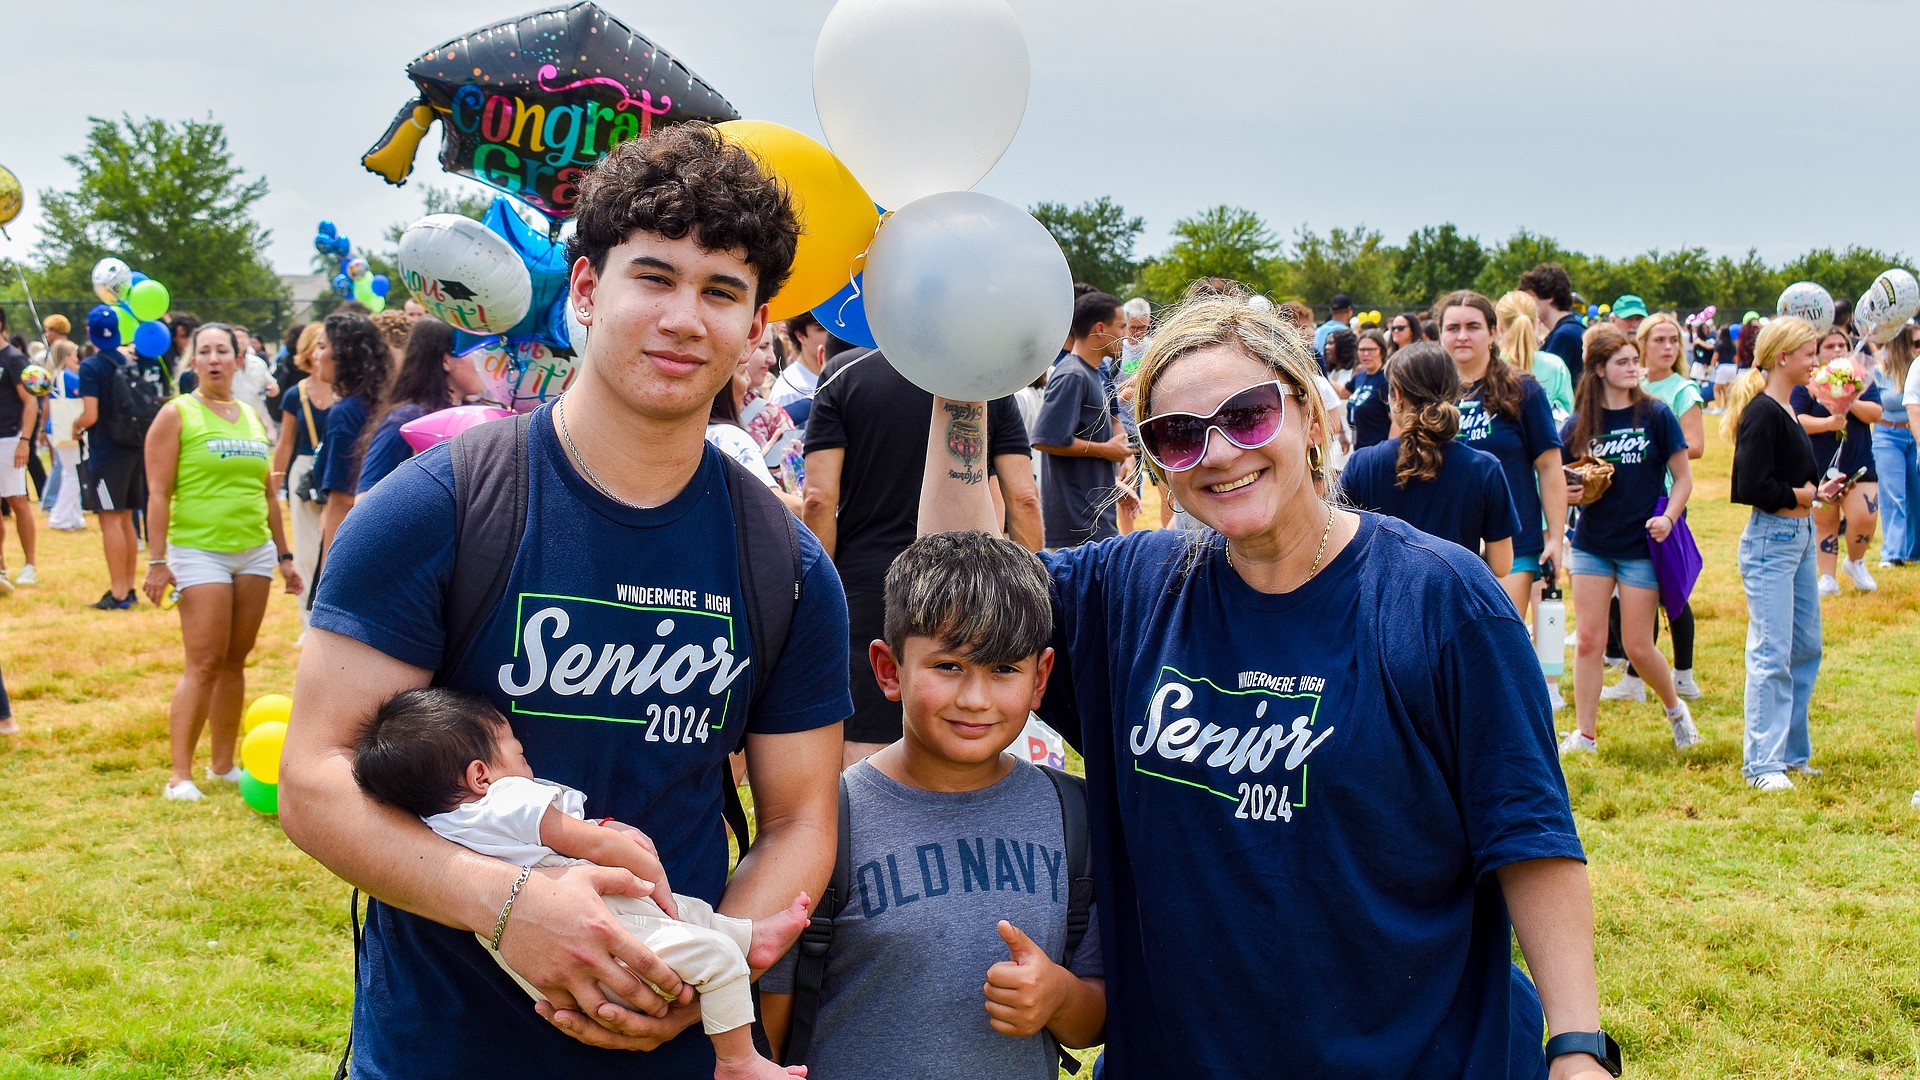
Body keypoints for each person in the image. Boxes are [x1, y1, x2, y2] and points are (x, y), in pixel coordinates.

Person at [917, 292, 1612, 1079]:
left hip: (1415, 1051)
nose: (1217, 453)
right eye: (1176, 436)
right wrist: (957, 381)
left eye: (1246, 416)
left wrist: (1578, 1048)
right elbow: (952, 593)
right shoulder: (1126, 595)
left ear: (1311, 418)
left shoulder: (1438, 598)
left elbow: (1528, 833)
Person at [279, 123, 849, 1079]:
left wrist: (698, 970)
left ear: (756, 329)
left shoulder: (783, 563)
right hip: (442, 1049)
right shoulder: (437, 508)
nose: (682, 318)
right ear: (586, 290)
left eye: (721, 292)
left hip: (665, 1054)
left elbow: (799, 820)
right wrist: (502, 905)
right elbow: (313, 776)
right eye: (654, 277)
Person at [759, 531, 1106, 1078]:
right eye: (948, 666)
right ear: (889, 669)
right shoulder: (825, 821)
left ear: (1040, 678)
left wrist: (1058, 997)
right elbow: (770, 1021)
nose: (975, 698)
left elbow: (1095, 1015)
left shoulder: (1072, 817)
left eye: (1004, 670)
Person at [353, 688, 812, 1080]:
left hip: (550, 972)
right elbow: (588, 842)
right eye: (518, 750)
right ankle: (738, 1062)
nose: (526, 761)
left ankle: (752, 937)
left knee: (699, 923)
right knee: (715, 955)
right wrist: (643, 866)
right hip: (611, 935)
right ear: (480, 774)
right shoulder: (507, 797)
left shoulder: (440, 824)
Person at [802, 345, 1035, 767]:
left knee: (868, 736)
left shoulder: (844, 372)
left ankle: (870, 835)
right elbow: (1024, 497)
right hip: (966, 588)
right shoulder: (983, 374)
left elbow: (818, 498)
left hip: (864, 584)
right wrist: (1033, 597)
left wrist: (818, 592)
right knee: (964, 731)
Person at [142, 323, 301, 801]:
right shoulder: (177, 414)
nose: (214, 359)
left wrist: (285, 556)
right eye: (204, 352)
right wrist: (156, 561)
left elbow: (268, 494)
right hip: (198, 551)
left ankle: (222, 765)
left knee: (235, 661)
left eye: (222, 351)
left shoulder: (253, 417)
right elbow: (156, 492)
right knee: (205, 661)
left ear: (239, 358)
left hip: (253, 550)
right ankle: (179, 776)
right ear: (193, 362)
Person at [1557, 324, 1696, 756]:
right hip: (1592, 544)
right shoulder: (1579, 425)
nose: (1633, 368)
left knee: (1638, 645)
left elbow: (1684, 478)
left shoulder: (1656, 415)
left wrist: (1670, 519)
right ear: (1599, 369)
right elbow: (1557, 481)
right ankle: (1586, 733)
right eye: (1623, 362)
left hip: (1641, 545)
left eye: (1634, 360)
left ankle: (1676, 710)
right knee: (1588, 640)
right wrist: (1570, 492)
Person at [1724, 316, 1844, 791]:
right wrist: (1803, 494)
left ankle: (1793, 754)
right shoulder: (1762, 411)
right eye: (1810, 352)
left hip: (1796, 539)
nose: (1816, 360)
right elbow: (1749, 485)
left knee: (1804, 647)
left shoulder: (1787, 408)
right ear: (1783, 358)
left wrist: (1815, 493)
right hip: (1771, 540)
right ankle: (1762, 764)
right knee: (1772, 652)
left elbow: (1790, 481)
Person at [1439, 290, 1568, 634]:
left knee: (1498, 639)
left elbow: (1550, 468)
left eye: (1473, 326)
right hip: (1442, 543)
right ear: (1440, 333)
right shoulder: (1430, 392)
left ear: (1493, 332)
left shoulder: (1522, 389)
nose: (1462, 335)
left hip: (1515, 541)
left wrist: (1556, 537)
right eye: (1452, 327)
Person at [1339, 342, 1517, 574]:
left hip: (1380, 605)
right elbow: (1501, 565)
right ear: (1455, 393)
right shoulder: (1484, 468)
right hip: (1454, 603)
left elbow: (1341, 551)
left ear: (1396, 396)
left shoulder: (1363, 464)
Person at [1605, 312, 1707, 704]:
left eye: (1673, 340)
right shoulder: (1631, 384)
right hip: (1625, 502)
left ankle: (1683, 673)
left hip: (1666, 501)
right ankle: (1633, 676)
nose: (1668, 347)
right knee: (1633, 594)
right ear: (1641, 345)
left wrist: (1654, 442)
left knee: (1671, 589)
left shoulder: (1683, 391)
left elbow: (1695, 445)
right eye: (1659, 340)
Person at [75, 306, 172, 610]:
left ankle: (118, 592)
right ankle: (126, 587)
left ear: (89, 332)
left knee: (110, 519)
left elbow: (90, 415)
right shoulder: (127, 360)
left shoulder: (91, 366)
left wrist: (74, 424)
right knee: (127, 517)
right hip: (133, 448)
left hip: (106, 450)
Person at [1032, 291, 1131, 548]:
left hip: (1096, 517)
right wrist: (1105, 451)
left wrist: (1117, 476)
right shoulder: (1072, 375)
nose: (1125, 335)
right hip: (1076, 525)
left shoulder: (1097, 371)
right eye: (1121, 326)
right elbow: (1045, 440)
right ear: (1100, 328)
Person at [1793, 327, 1883, 595]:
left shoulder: (1860, 377)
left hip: (1858, 460)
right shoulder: (1807, 382)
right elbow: (1797, 420)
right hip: (1819, 463)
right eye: (1829, 346)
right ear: (1818, 352)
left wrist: (1847, 397)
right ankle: (1827, 577)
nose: (1836, 350)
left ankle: (1855, 561)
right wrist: (1828, 422)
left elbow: (1875, 412)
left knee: (1866, 516)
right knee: (1825, 521)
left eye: (1840, 345)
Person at [356, 317, 490, 494]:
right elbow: (365, 497)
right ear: (447, 360)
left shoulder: (478, 413)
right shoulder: (406, 420)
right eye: (475, 351)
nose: (484, 361)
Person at [269, 323, 335, 633]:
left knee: (336, 544)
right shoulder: (296, 395)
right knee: (307, 547)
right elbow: (285, 441)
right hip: (305, 472)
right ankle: (308, 624)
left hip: (339, 468)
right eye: (318, 345)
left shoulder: (346, 391)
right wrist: (275, 481)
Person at [312, 310, 390, 556]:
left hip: (351, 545)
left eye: (322, 346)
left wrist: (328, 572)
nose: (315, 355)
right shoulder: (386, 403)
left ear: (342, 354)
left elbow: (341, 500)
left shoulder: (345, 412)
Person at [1870, 321, 1918, 566]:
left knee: (1916, 496)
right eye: (1917, 344)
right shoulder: (1880, 370)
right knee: (1893, 496)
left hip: (1916, 436)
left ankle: (1914, 551)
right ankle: (1892, 554)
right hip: (1888, 435)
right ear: (1903, 346)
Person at [0, 308, 41, 591]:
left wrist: (24, 441)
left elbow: (31, 402)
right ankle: (1, 567)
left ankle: (30, 566)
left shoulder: (14, 359)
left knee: (18, 501)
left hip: (9, 440)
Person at [1496, 289, 1575, 424]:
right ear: (1537, 323)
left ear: (1499, 327)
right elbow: (1568, 417)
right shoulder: (1555, 366)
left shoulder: (1489, 366)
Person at [43, 341, 86, 532]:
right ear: (65, 357)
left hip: (57, 428)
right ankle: (60, 517)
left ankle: (74, 517)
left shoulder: (55, 376)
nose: (77, 359)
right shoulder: (67, 376)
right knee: (73, 474)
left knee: (69, 472)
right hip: (67, 429)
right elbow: (86, 393)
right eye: (73, 355)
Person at [771, 311, 828, 430]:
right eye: (822, 328)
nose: (831, 335)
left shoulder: (833, 376)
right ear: (801, 336)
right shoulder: (790, 389)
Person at [1344, 328, 1392, 450]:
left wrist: (1388, 452)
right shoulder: (1360, 376)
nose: (1366, 354)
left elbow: (1396, 421)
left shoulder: (1386, 379)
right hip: (1359, 450)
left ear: (1381, 350)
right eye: (1362, 350)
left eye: (1371, 349)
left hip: (1378, 452)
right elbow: (1342, 392)